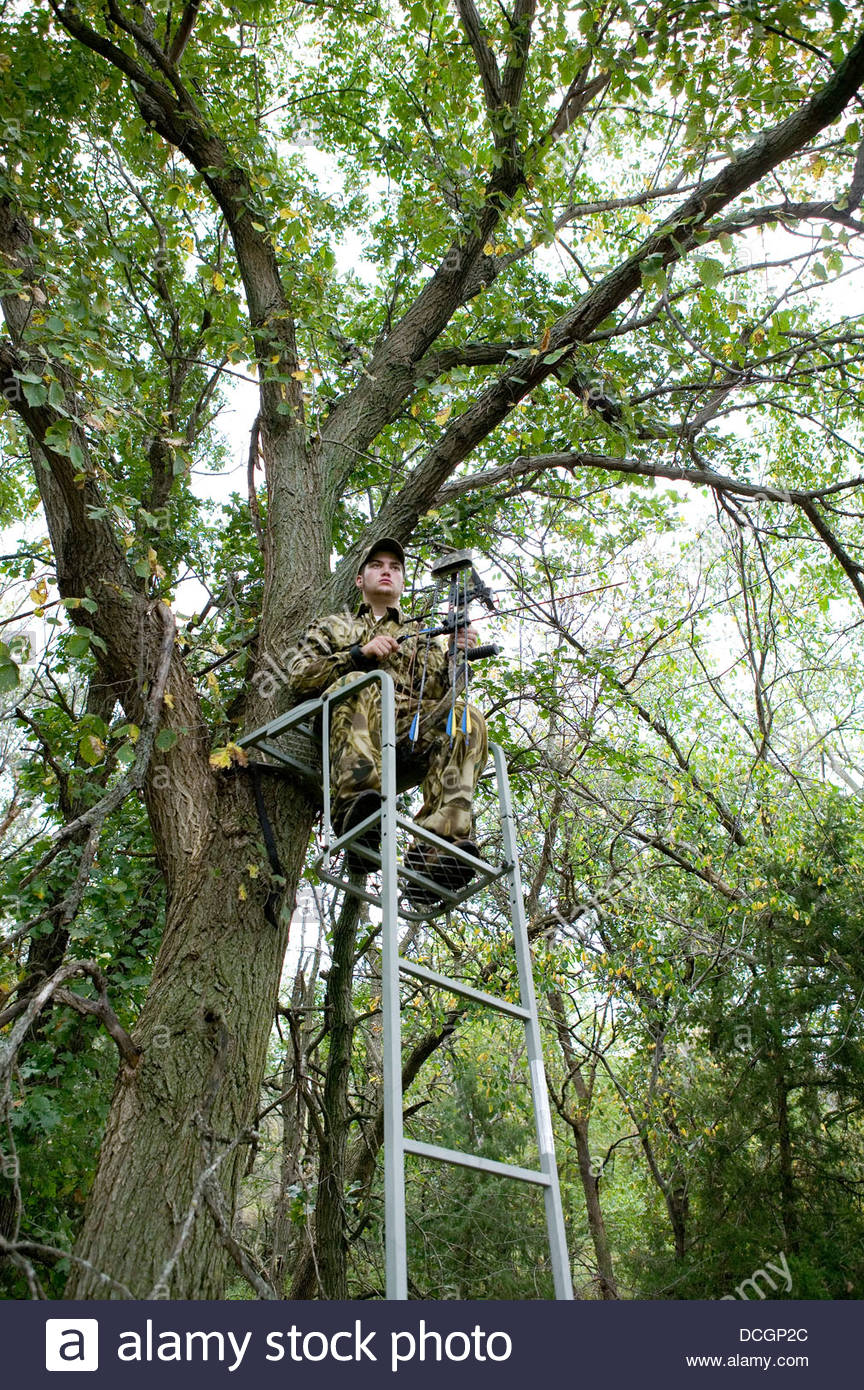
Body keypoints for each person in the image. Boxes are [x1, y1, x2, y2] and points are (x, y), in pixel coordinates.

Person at [283, 539, 488, 900]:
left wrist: (457, 655)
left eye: (395, 567)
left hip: (408, 732)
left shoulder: (423, 638)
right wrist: (357, 656)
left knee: (466, 717)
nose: (386, 571)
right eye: (377, 565)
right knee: (360, 682)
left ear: (402, 581)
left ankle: (435, 849)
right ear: (360, 580)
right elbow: (299, 675)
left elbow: (441, 699)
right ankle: (359, 814)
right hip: (352, 723)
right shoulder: (335, 626)